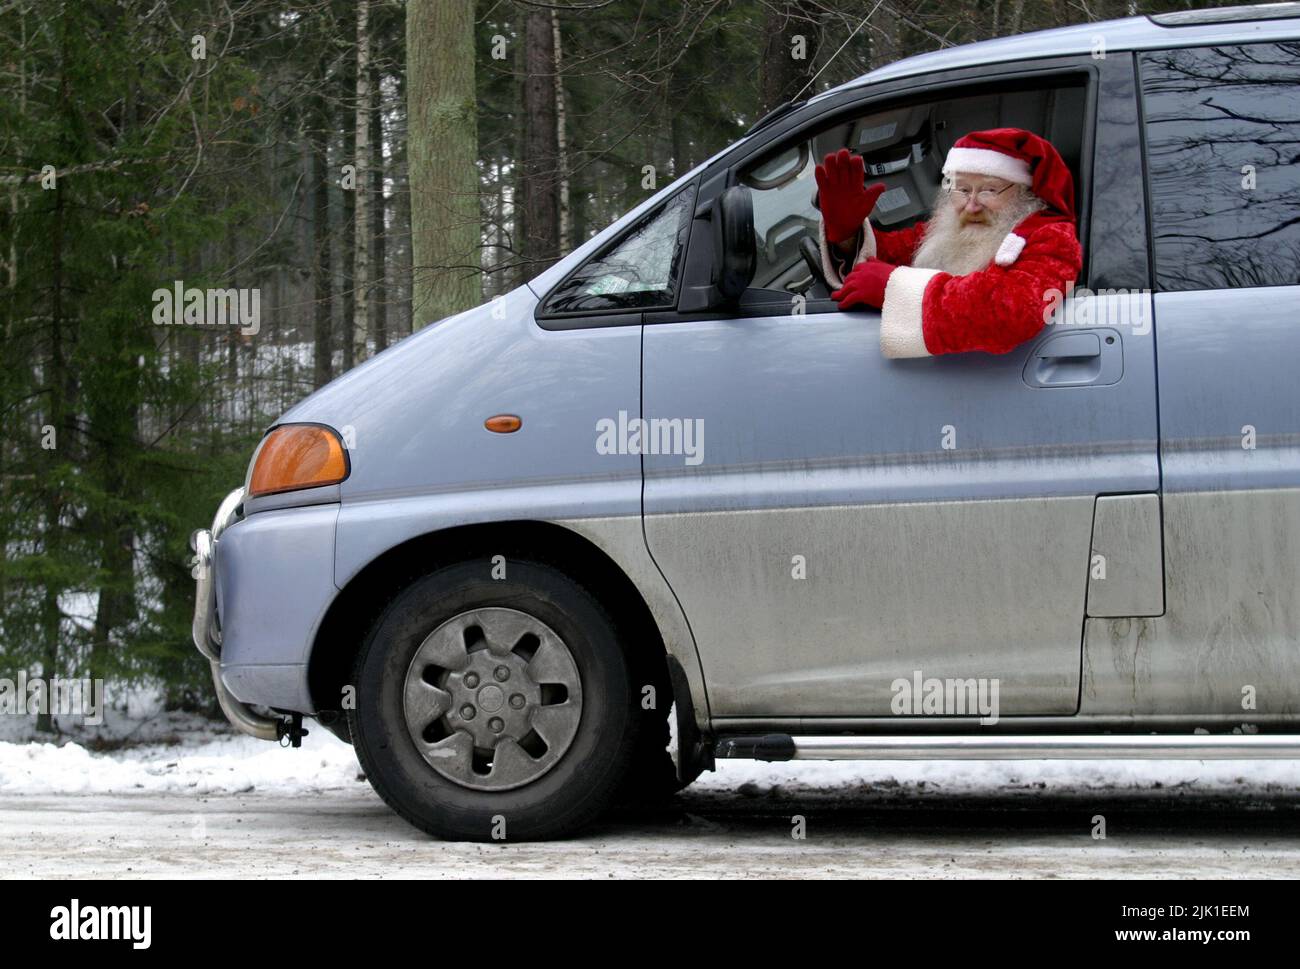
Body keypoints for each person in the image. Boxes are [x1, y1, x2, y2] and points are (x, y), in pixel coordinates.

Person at [815, 127, 1082, 358]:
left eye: (989, 189)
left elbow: (1012, 313)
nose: (973, 204)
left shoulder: (1051, 237)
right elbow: (890, 252)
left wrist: (895, 288)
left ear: (1023, 193)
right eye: (962, 189)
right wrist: (847, 232)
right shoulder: (952, 225)